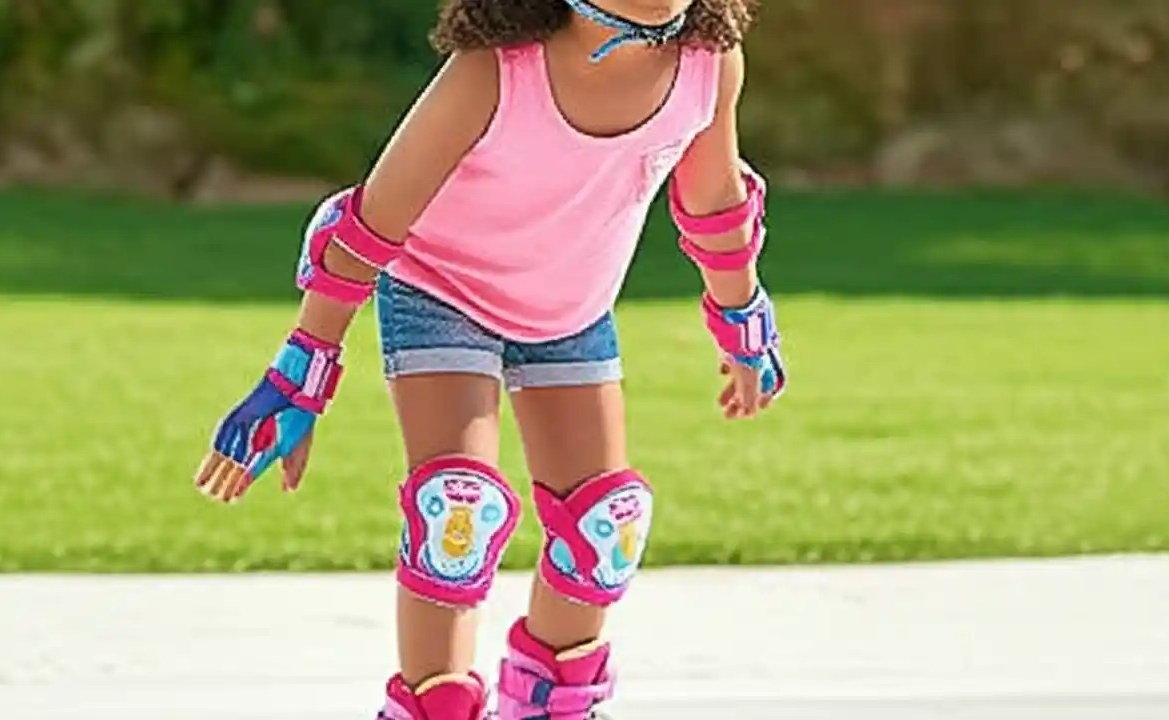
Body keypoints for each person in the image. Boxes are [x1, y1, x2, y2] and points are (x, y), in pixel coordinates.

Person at [193, 0, 781, 717]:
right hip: (441, 291)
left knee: (606, 529)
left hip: (570, 311)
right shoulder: (491, 73)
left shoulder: (706, 63)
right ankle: (433, 704)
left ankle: (548, 704)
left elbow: (713, 200)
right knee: (455, 515)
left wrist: (741, 316)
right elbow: (372, 221)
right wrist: (301, 373)